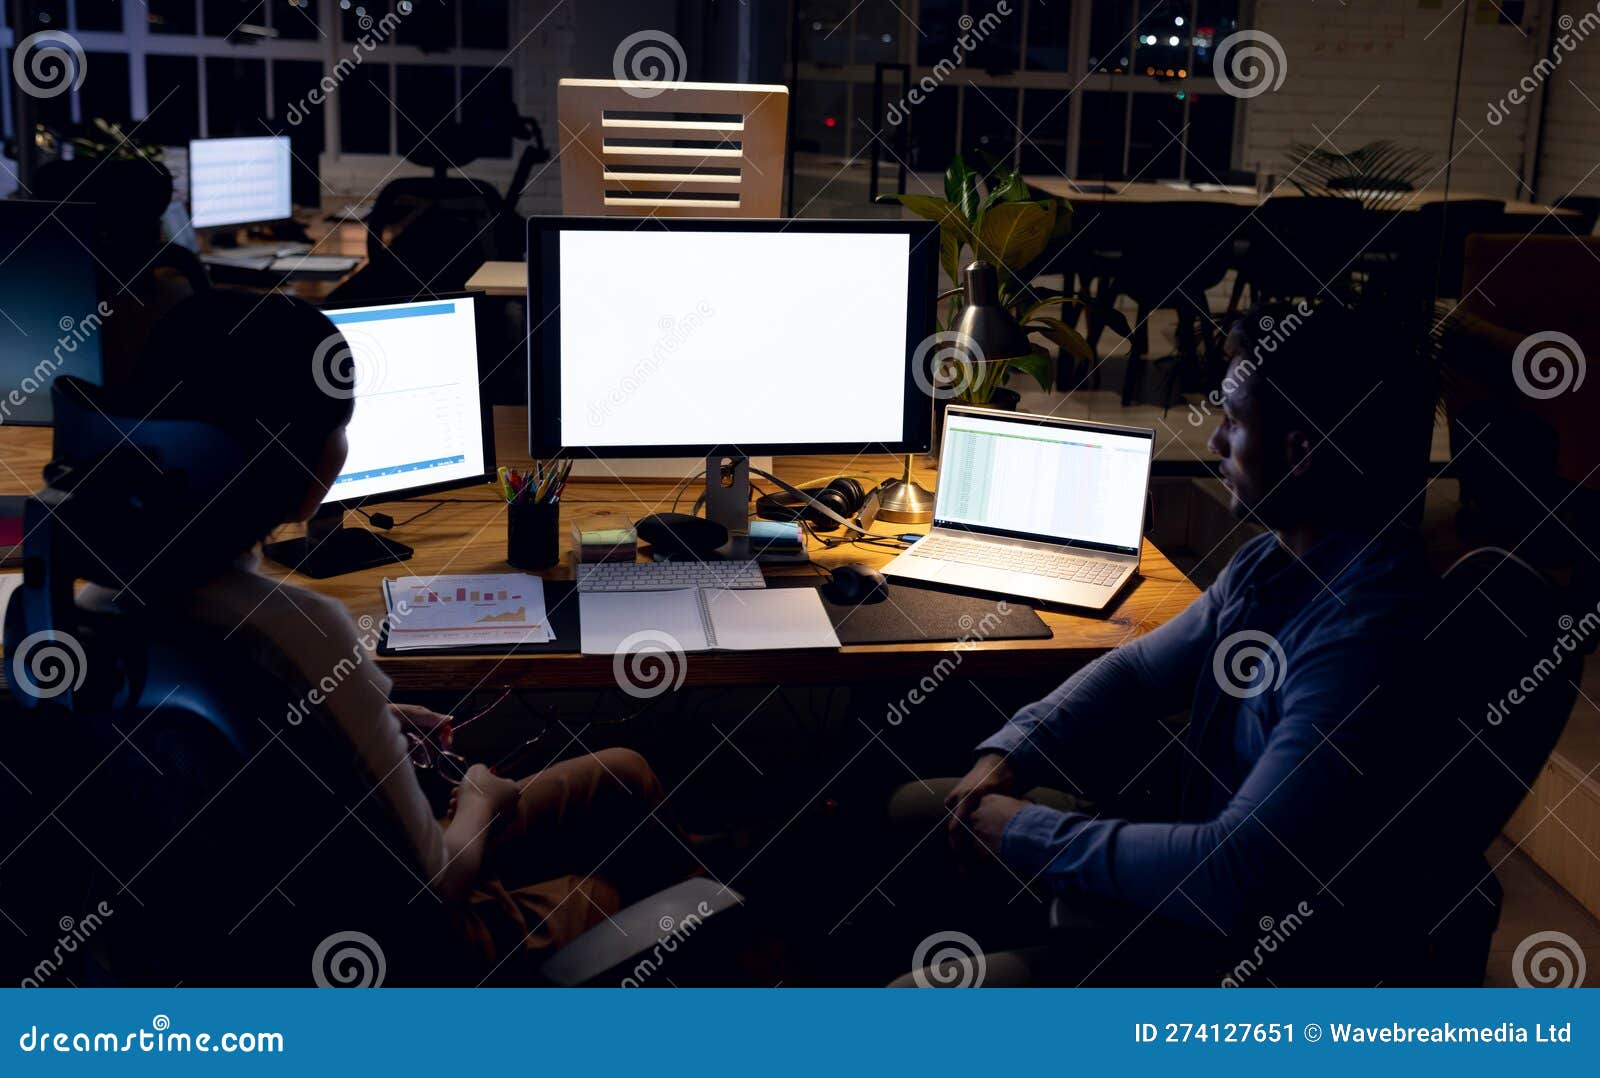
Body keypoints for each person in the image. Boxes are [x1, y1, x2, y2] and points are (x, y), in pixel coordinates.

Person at [85, 290, 690, 980]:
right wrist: (486, 800)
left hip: (275, 902)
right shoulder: (300, 629)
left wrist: (362, 717)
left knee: (623, 773)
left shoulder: (101, 598)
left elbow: (237, 732)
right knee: (614, 890)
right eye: (338, 424)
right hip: (402, 944)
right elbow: (438, 884)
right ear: (300, 462)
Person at [891, 303, 1447, 987]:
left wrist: (1025, 830)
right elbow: (1134, 673)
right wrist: (1013, 755)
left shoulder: (1359, 638)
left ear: (1300, 453)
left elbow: (1231, 872)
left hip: (1237, 944)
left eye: (1236, 423)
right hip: (1189, 856)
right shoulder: (1273, 565)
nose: (1215, 441)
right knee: (918, 812)